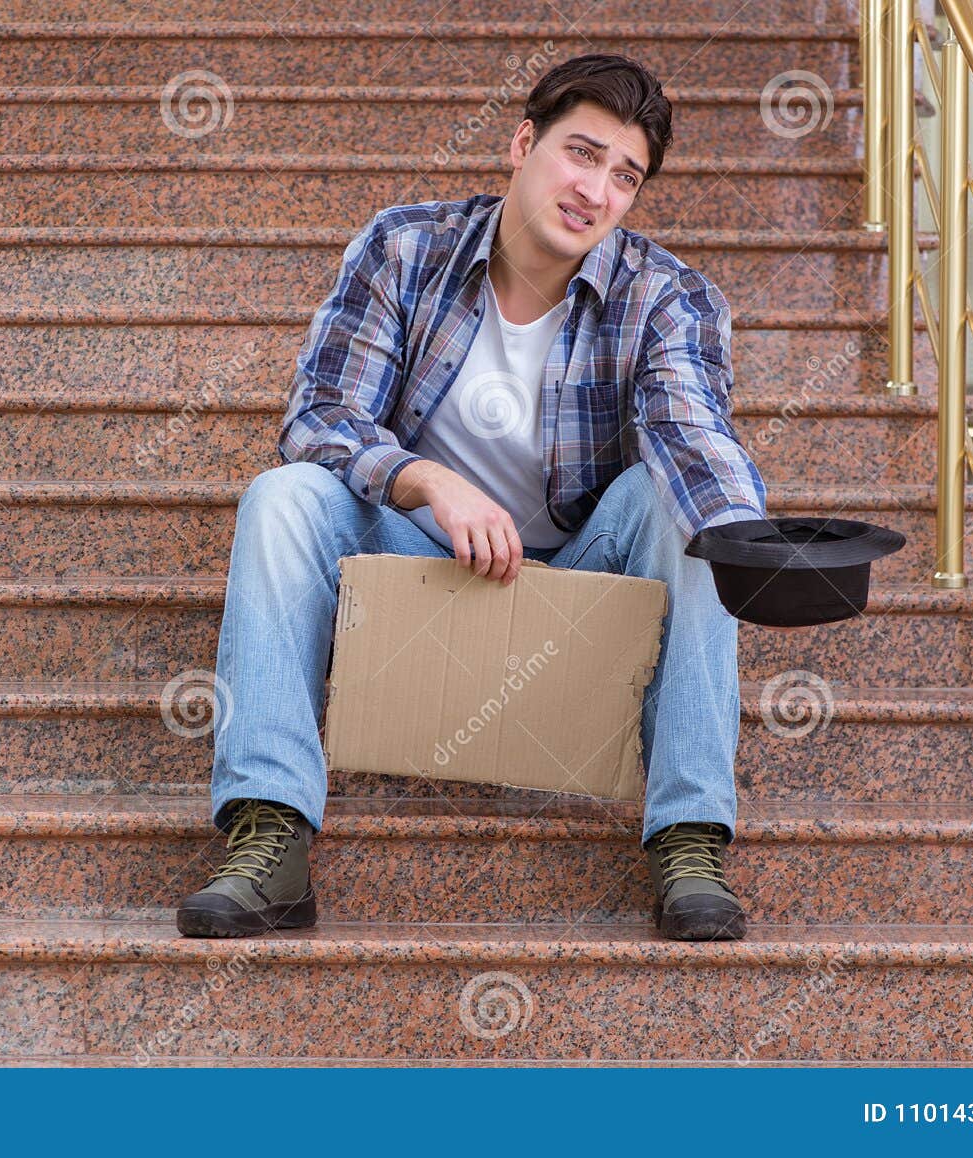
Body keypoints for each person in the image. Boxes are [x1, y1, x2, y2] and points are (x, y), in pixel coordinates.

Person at [175, 53, 767, 943]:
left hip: (578, 570)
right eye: (581, 153)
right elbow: (322, 416)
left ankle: (687, 838)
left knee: (672, 501)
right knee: (284, 496)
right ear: (524, 141)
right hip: (422, 556)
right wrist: (430, 482)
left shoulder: (668, 296)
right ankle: (271, 837)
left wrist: (751, 545)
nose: (595, 189)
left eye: (625, 176)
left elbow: (690, 436)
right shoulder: (405, 247)